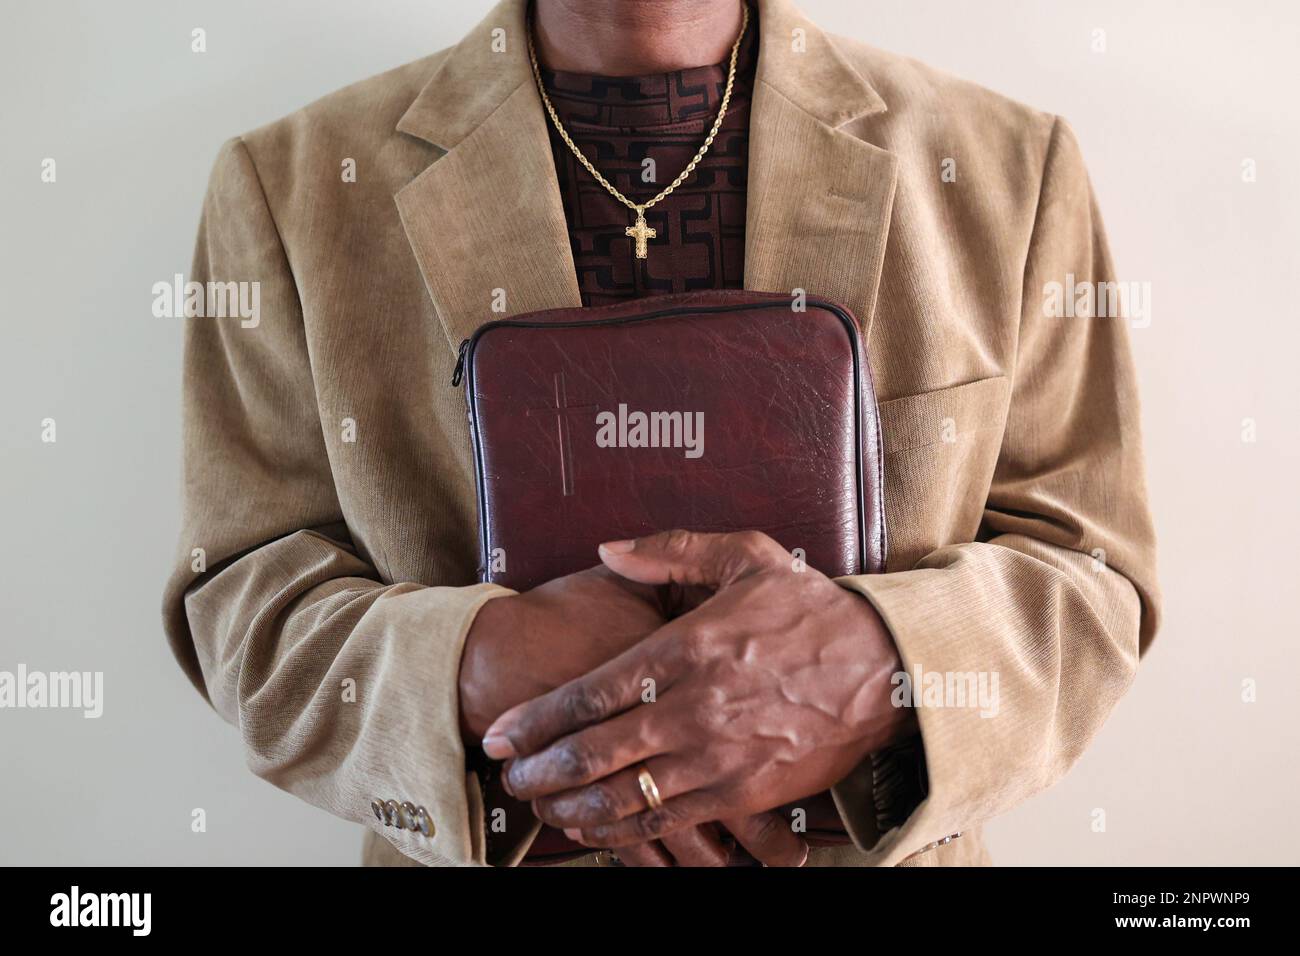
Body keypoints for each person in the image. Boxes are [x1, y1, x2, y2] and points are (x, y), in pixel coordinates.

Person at [163, 0, 1160, 867]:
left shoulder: (1010, 166)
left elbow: (1092, 579)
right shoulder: (288, 187)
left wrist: (875, 662)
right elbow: (245, 604)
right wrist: (474, 660)